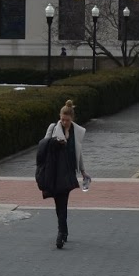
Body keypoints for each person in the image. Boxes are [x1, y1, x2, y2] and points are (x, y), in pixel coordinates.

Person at [36, 99, 91, 250]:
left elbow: (78, 153)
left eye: (67, 120)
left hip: (68, 172)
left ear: (72, 119)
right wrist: (55, 142)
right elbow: (43, 146)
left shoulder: (77, 132)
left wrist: (83, 170)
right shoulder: (53, 128)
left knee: (62, 200)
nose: (64, 122)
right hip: (54, 171)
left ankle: (61, 233)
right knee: (59, 202)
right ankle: (63, 230)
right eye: (62, 119)